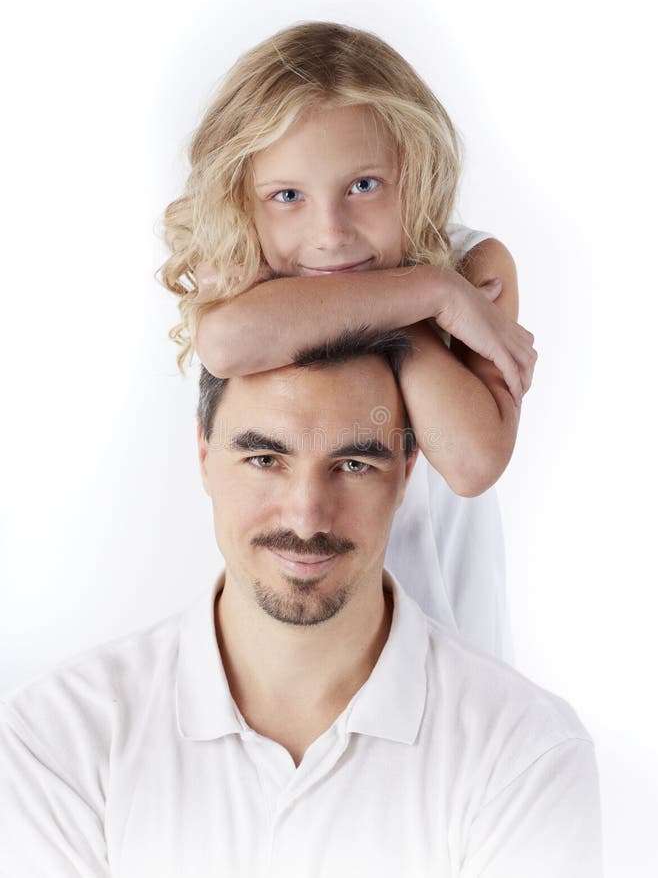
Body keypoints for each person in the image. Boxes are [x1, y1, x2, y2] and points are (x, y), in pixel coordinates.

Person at [0, 329, 600, 876]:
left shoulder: (526, 754)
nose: (307, 517)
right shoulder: (57, 741)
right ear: (204, 454)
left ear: (406, 474)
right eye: (265, 459)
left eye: (354, 463)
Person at [160, 21, 538, 661]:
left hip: (451, 651)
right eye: (287, 196)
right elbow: (226, 343)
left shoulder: (471, 263)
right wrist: (431, 297)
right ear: (242, 202)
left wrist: (424, 295)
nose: (329, 234)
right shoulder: (258, 271)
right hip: (310, 642)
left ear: (411, 171)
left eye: (363, 186)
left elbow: (472, 462)